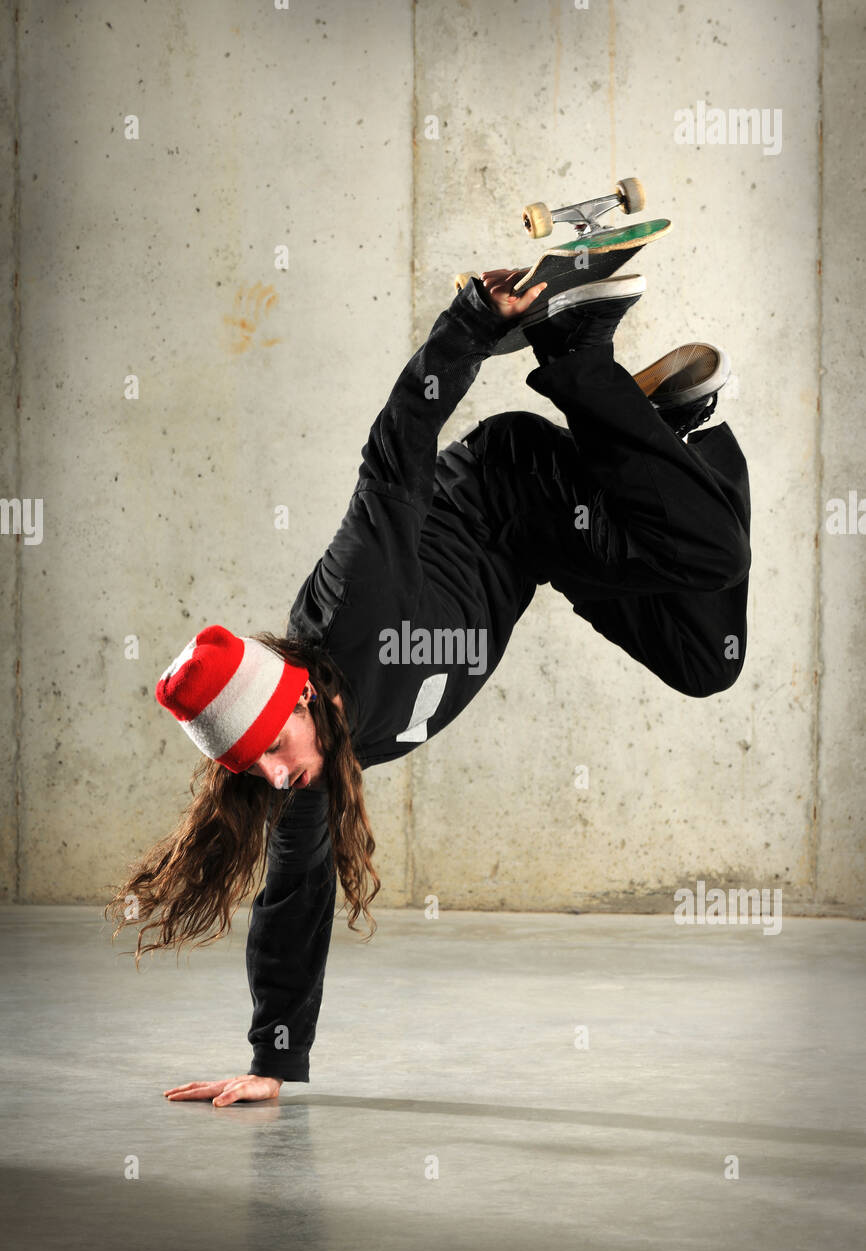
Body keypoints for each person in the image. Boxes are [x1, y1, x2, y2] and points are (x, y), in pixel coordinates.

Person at [105, 266, 751, 1106]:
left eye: (272, 749)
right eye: (253, 768)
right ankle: (661, 433)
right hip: (537, 555)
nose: (275, 773)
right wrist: (272, 1063)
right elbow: (293, 900)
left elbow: (397, 447)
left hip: (514, 489)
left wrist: (473, 321)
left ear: (298, 696)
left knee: (711, 551)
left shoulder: (351, 602)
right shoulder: (305, 775)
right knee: (708, 661)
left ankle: (574, 350)